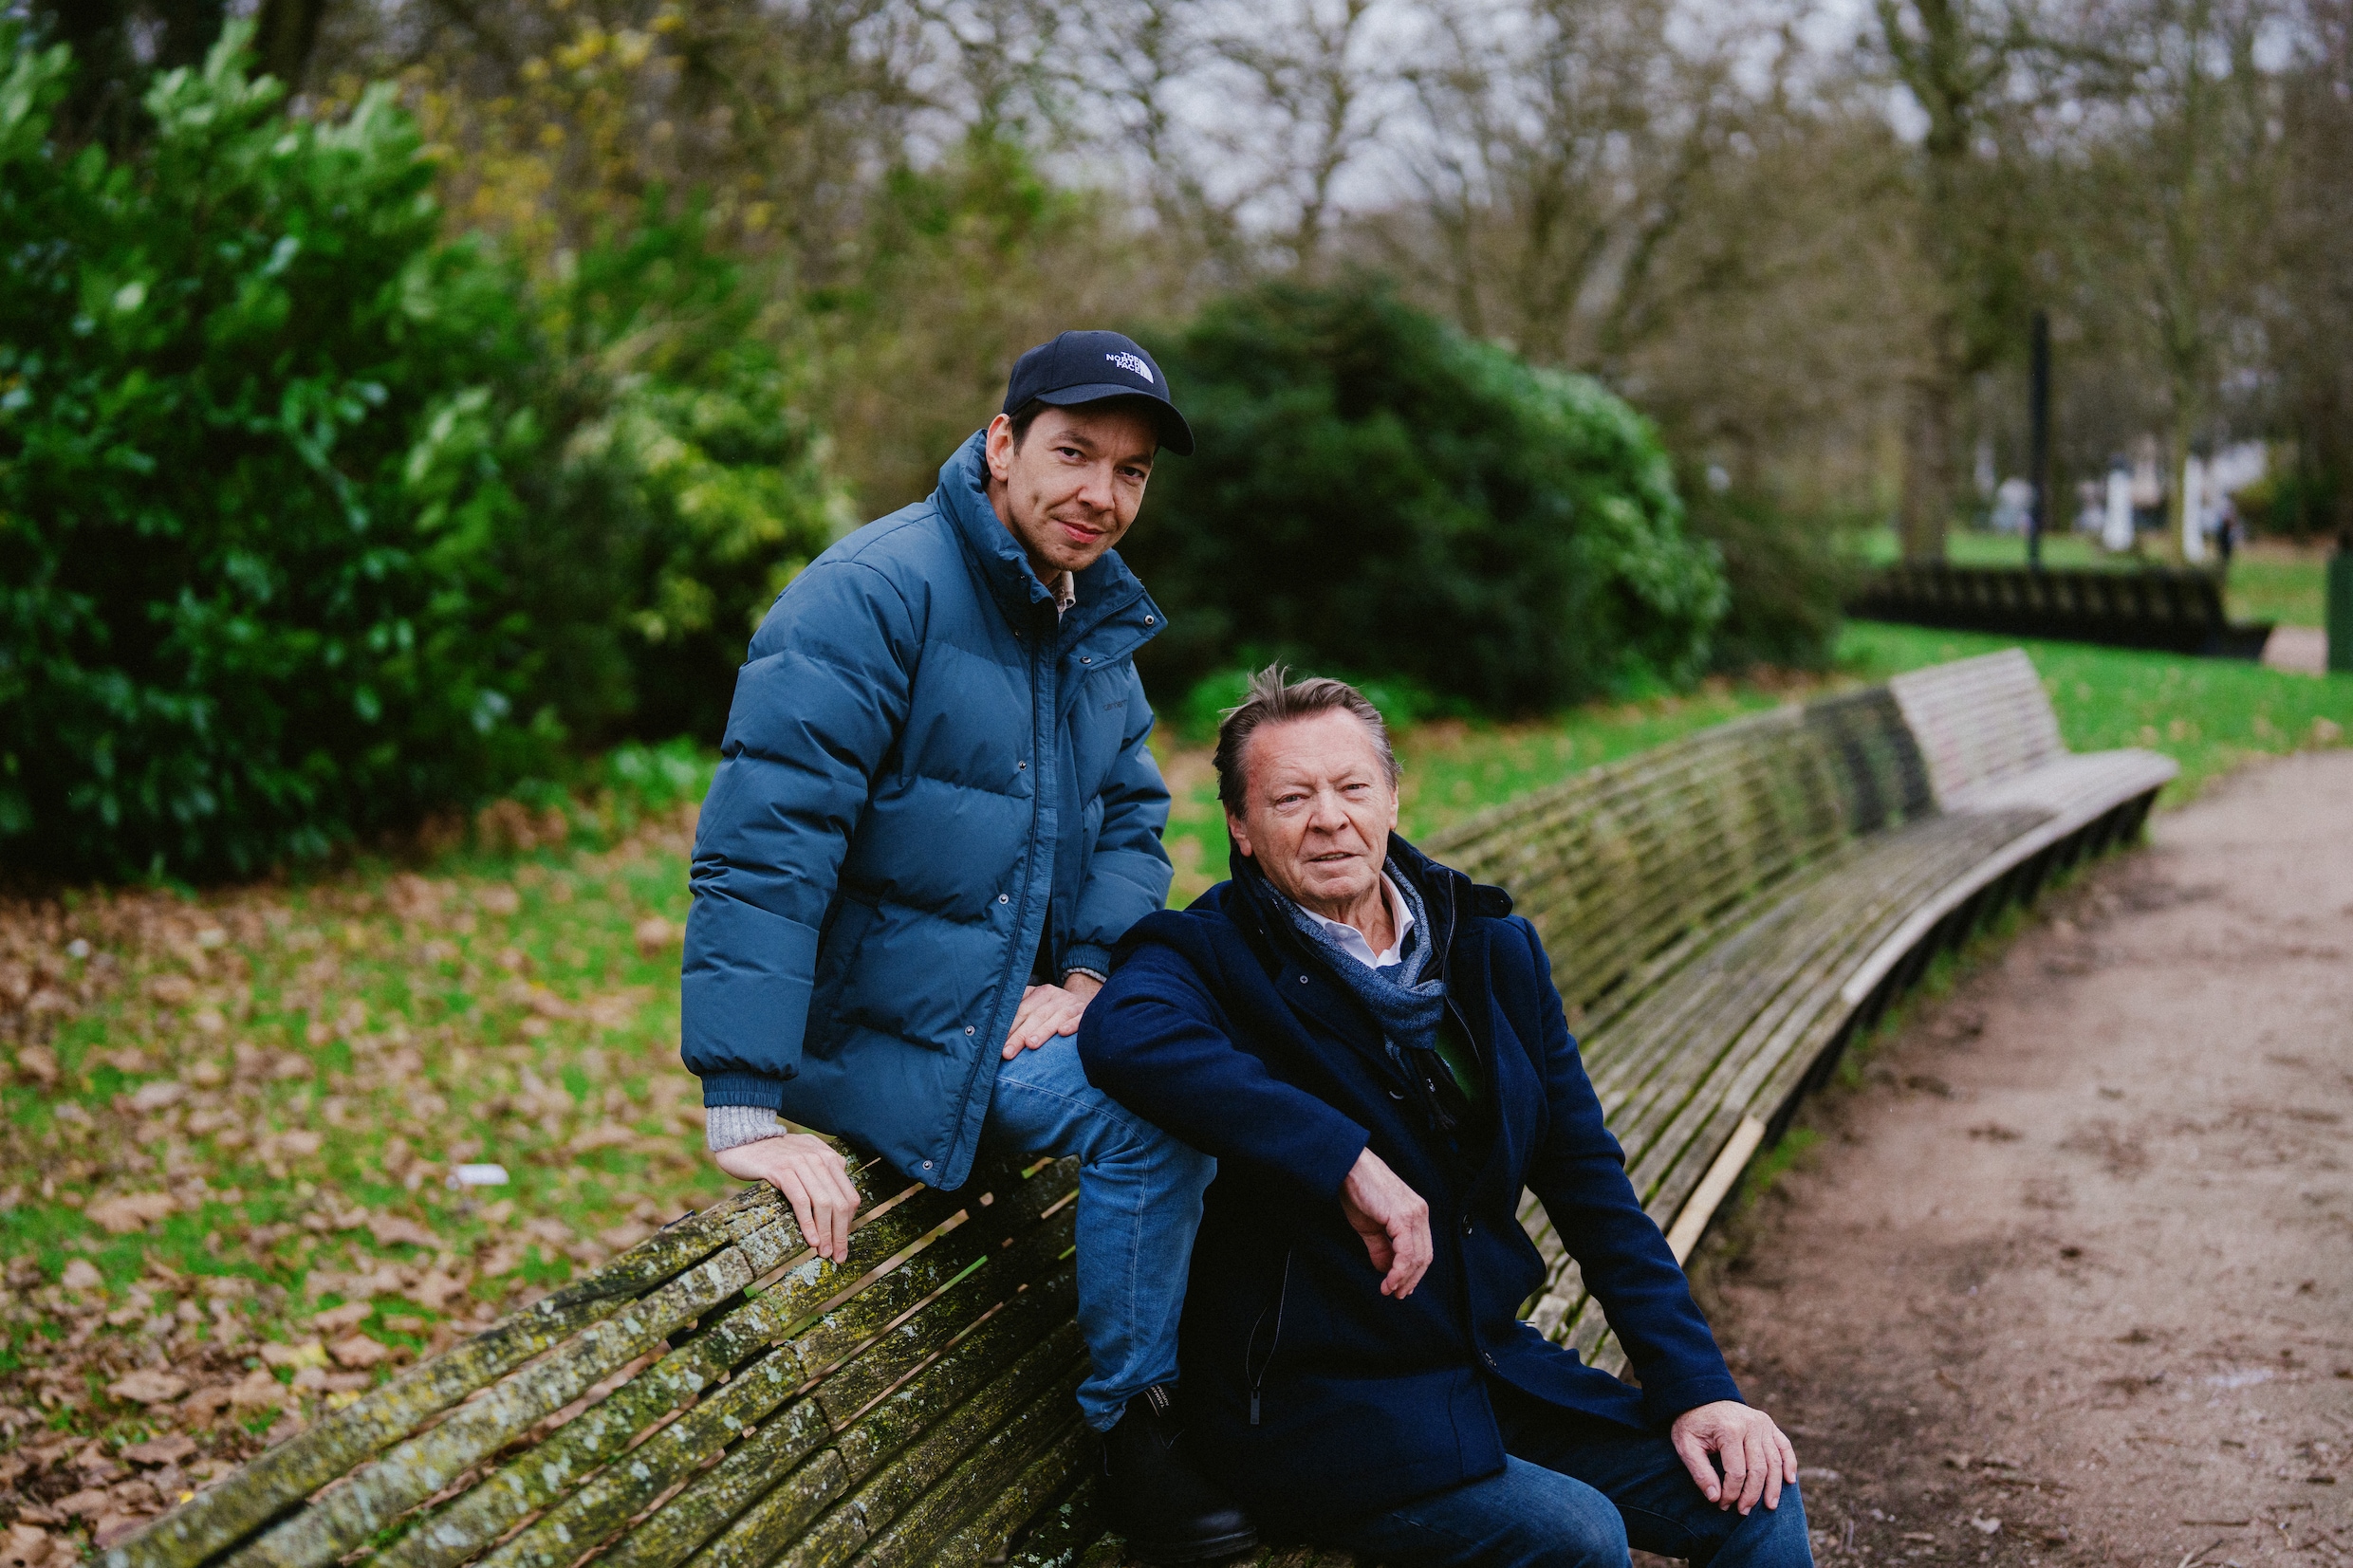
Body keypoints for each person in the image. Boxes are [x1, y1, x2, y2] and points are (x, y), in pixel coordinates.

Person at [679, 331, 1253, 1564]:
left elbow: (1134, 818)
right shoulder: (871, 593)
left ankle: (1254, 1405)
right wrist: (744, 1106)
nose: (1104, 493)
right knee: (1156, 1104)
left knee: (1248, 1059)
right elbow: (766, 849)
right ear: (1001, 445)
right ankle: (1137, 1434)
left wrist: (1089, 977)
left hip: (1009, 1015)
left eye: (1134, 471)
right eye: (1074, 453)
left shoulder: (1088, 616)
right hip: (886, 1039)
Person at [1079, 669, 1812, 1568]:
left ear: (1392, 796)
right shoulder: (1208, 954)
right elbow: (1123, 1032)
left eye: (1352, 787)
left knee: (1755, 1492)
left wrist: (1699, 1386)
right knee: (1579, 1538)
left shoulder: (1490, 950)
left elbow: (1590, 1182)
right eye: (1291, 797)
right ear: (1239, 824)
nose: (1329, 818)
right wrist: (1341, 1157)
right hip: (1324, 1409)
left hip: (1487, 1368)